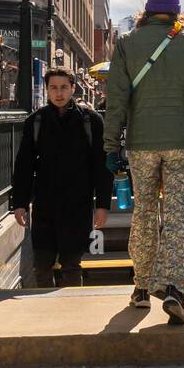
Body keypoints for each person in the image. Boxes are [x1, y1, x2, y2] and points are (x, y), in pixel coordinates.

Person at [103, 0, 184, 325]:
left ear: (148, 9)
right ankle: (174, 289)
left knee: (145, 214)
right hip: (183, 140)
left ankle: (140, 288)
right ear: (176, 10)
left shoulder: (126, 43)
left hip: (141, 144)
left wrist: (111, 146)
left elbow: (117, 101)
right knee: (179, 215)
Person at [11, 69, 112, 289]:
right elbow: (24, 165)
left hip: (78, 204)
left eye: (64, 87)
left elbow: (101, 166)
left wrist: (102, 205)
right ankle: (45, 314)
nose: (59, 93)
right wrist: (19, 203)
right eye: (54, 88)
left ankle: (72, 313)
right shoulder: (35, 121)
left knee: (71, 265)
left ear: (73, 89)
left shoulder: (91, 121)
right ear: (47, 90)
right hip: (45, 205)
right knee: (42, 265)